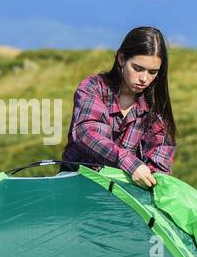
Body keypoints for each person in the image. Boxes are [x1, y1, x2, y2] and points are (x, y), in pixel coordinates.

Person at [61, 26, 177, 189]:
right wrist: (130, 164)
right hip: (76, 185)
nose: (144, 78)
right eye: (137, 68)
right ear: (122, 59)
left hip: (124, 197)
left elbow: (159, 169)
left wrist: (149, 178)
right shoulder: (94, 88)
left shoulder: (157, 111)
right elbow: (88, 133)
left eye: (152, 72)